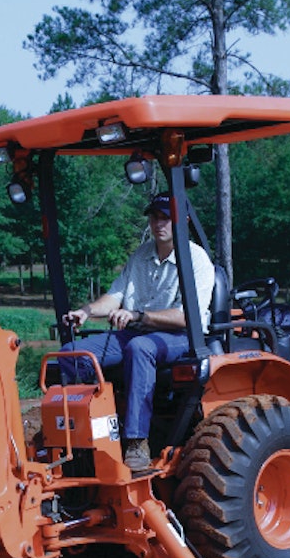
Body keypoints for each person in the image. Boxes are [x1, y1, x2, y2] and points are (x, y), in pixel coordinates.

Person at [61, 192, 214, 471]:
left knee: (140, 348)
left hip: (182, 337)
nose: (159, 223)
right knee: (73, 354)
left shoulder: (197, 260)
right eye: (155, 217)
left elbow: (185, 317)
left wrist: (137, 315)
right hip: (138, 332)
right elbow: (114, 297)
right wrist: (86, 311)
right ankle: (89, 432)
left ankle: (136, 441)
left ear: (184, 221)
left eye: (166, 217)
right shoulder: (141, 255)